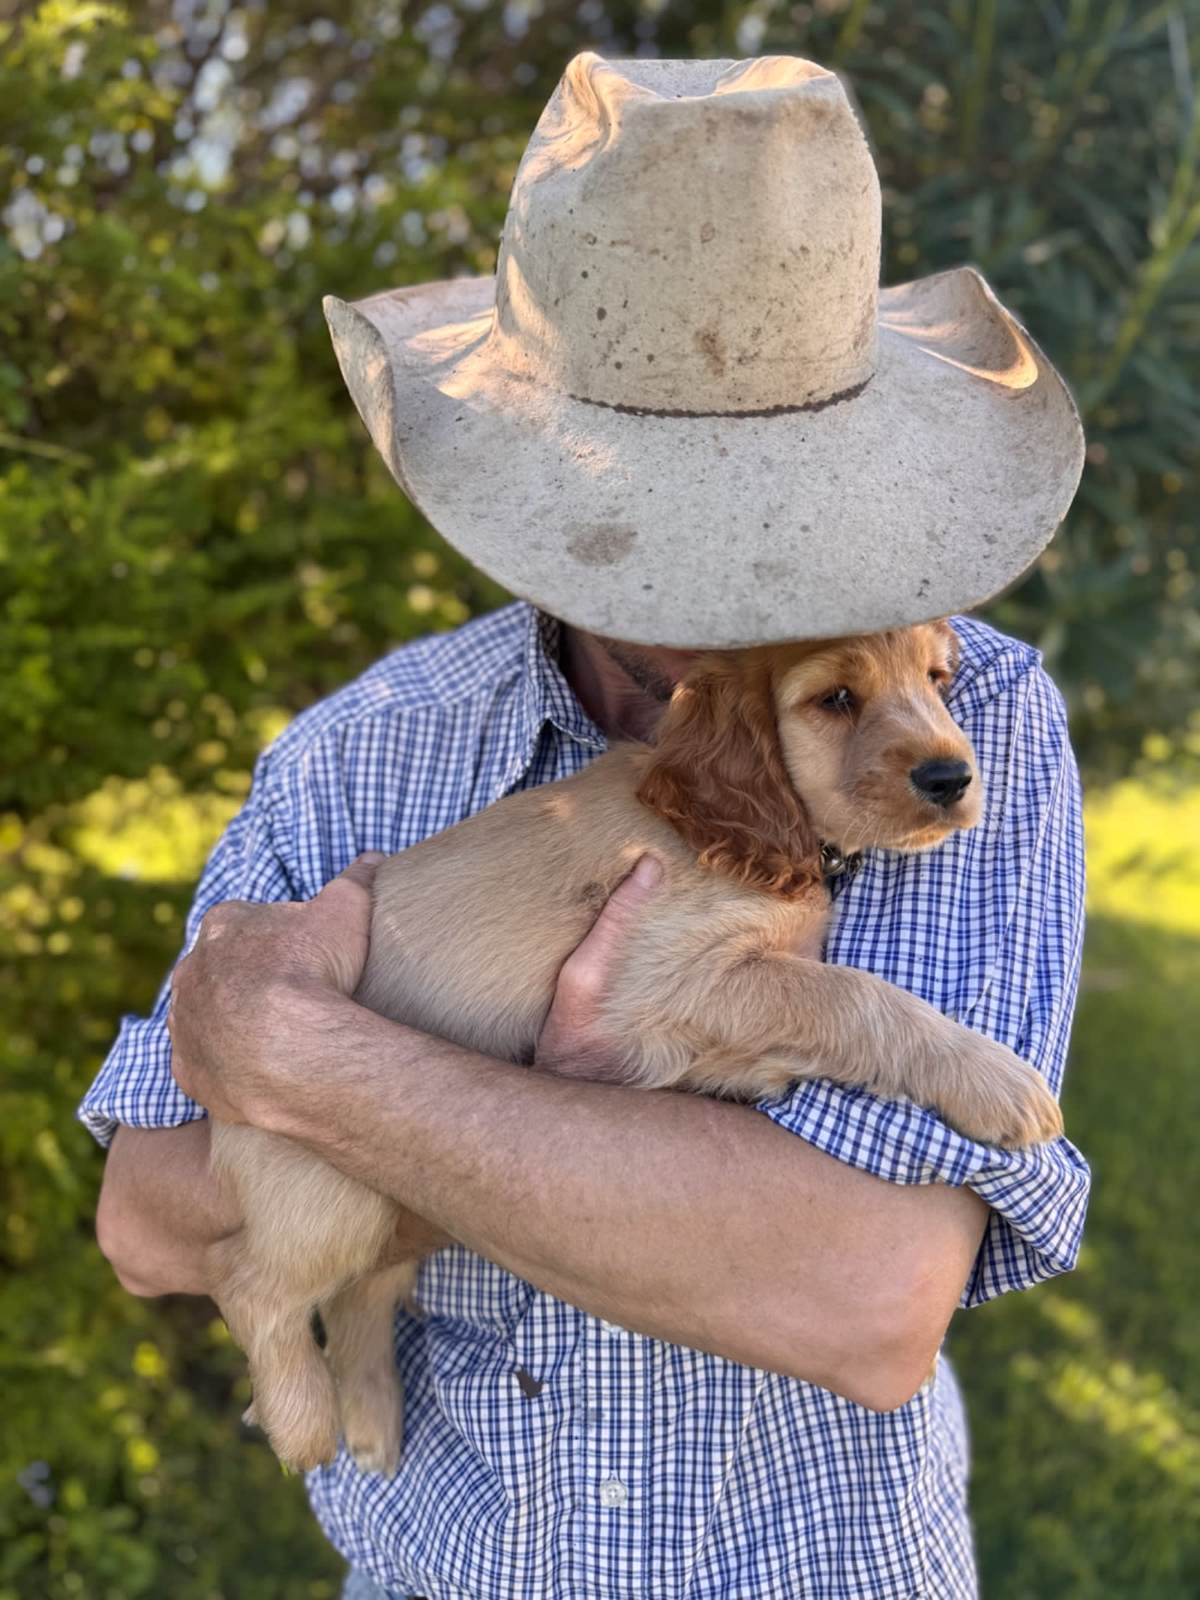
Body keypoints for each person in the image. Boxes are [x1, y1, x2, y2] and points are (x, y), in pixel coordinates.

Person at [84, 51, 1091, 1600]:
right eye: (664, 501)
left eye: (768, 496)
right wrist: (581, 1154)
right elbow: (150, 1217)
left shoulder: (974, 720)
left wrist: (321, 1061)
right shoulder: (364, 751)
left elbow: (869, 1303)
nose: (718, 573)